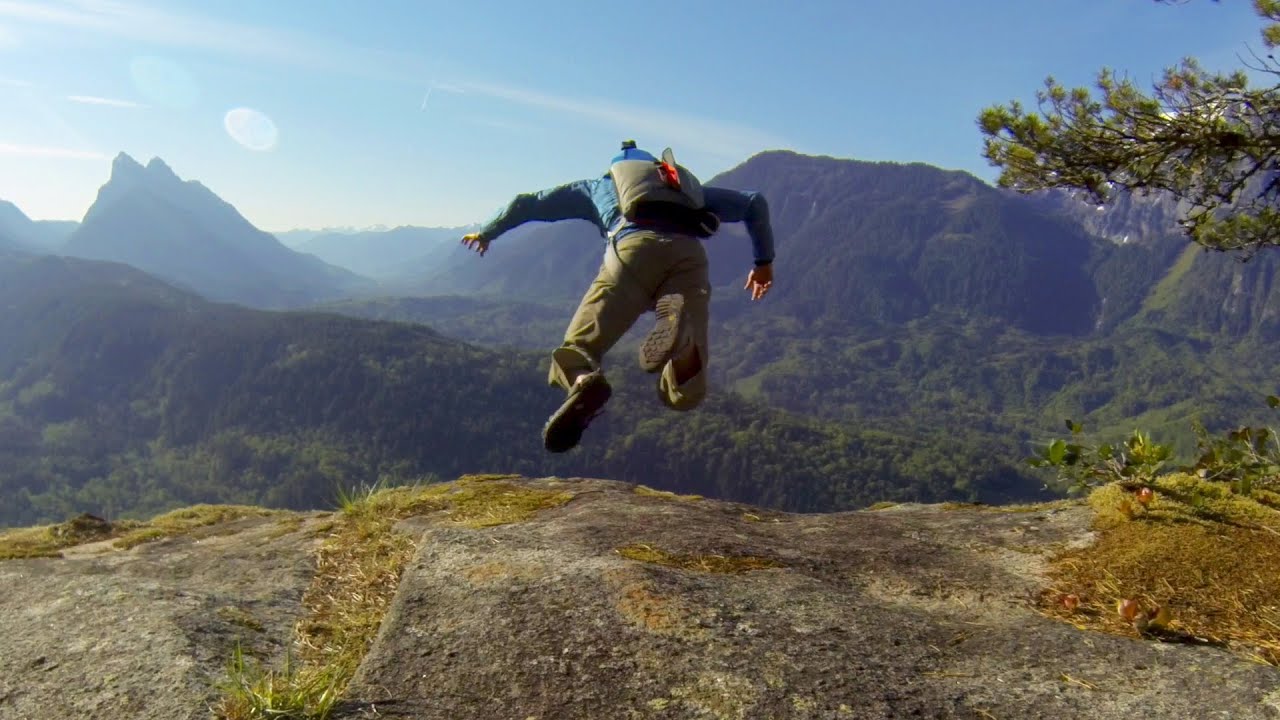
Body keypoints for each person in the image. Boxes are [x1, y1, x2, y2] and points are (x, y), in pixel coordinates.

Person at [461, 140, 776, 453]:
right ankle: (682, 349)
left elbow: (527, 203)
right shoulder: (681, 187)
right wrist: (763, 263)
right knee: (685, 394)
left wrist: (488, 231)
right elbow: (754, 203)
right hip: (689, 257)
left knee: (577, 349)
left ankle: (584, 383)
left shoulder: (600, 186)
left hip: (633, 249)